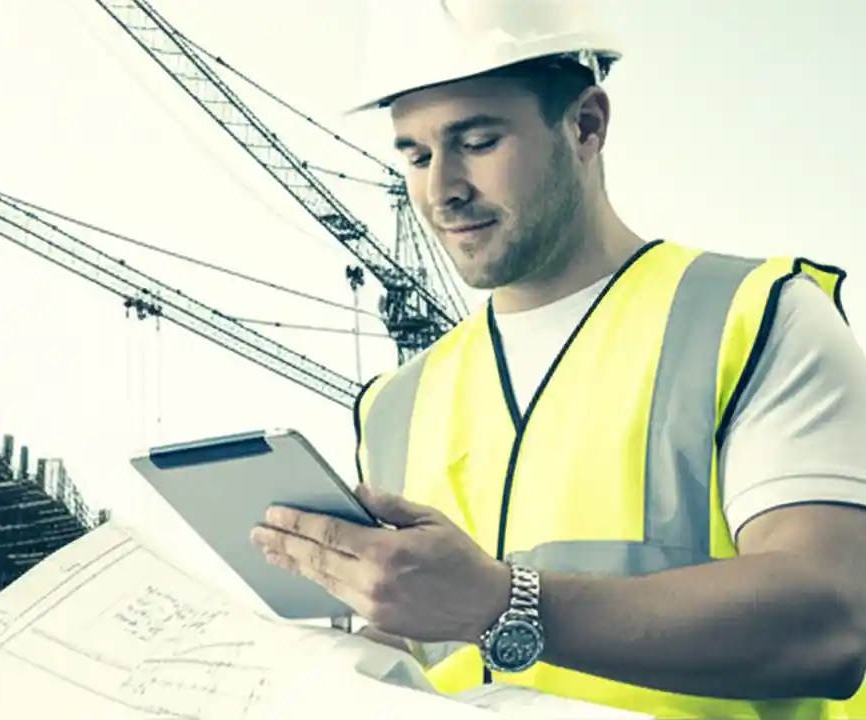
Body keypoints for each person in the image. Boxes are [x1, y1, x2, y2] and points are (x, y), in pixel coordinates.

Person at [247, 0, 866, 717]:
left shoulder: (752, 317)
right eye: (415, 156)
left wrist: (500, 603)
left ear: (586, 125)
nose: (442, 189)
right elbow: (424, 649)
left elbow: (832, 621)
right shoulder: (394, 405)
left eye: (477, 141)